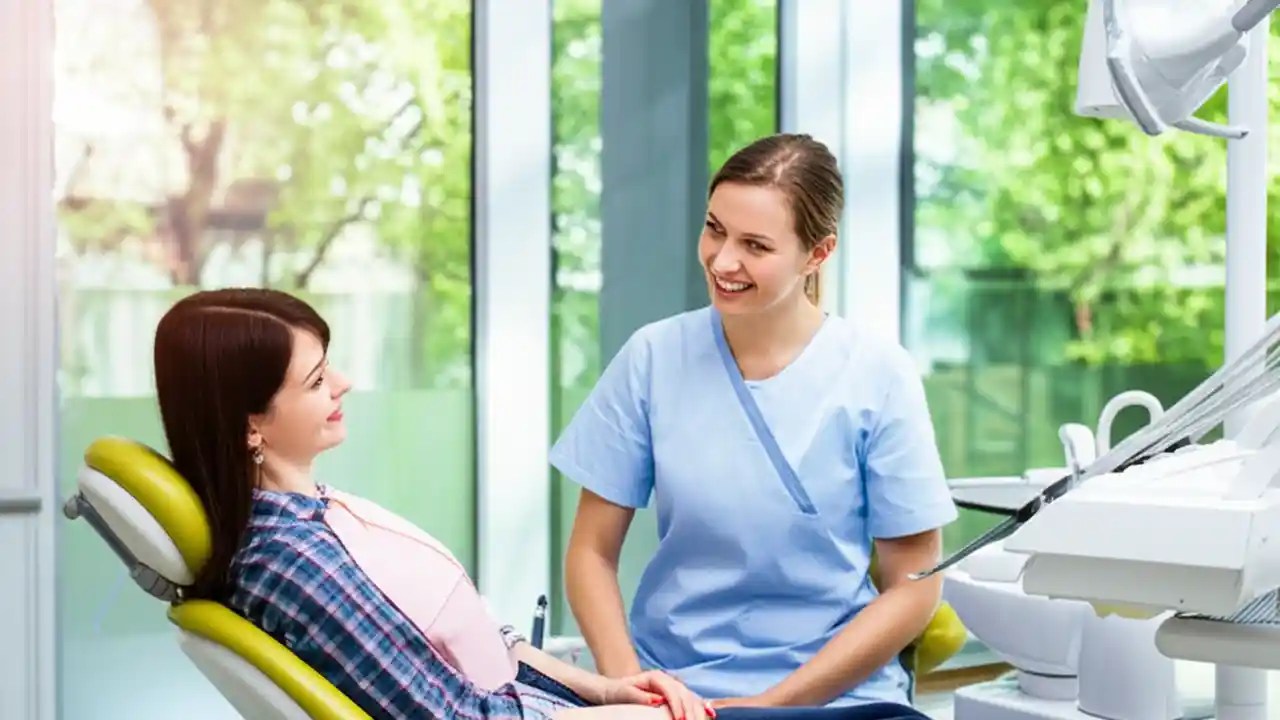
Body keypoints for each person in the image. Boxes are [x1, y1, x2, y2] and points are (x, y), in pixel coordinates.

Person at [151, 288, 715, 720]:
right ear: (252, 423)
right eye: (318, 379)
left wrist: (608, 691)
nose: (342, 383)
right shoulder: (292, 563)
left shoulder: (317, 513)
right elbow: (455, 715)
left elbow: (480, 646)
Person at [552, 134, 958, 713]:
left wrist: (772, 704)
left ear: (817, 253)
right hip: (677, 693)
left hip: (838, 700)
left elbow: (914, 586)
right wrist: (632, 691)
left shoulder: (878, 374)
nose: (722, 260)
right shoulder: (654, 358)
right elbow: (590, 554)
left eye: (755, 245)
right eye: (715, 229)